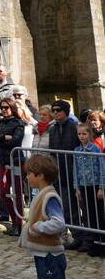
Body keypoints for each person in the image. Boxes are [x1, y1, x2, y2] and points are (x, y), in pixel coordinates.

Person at [21, 153, 80, 279]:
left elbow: (58, 223)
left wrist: (37, 228)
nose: (26, 177)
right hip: (43, 255)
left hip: (50, 257)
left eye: (29, 174)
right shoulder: (42, 193)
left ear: (40, 175)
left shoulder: (49, 196)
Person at [0, 97, 25, 235]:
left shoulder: (18, 122)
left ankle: (18, 224)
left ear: (12, 108)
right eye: (2, 108)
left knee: (17, 194)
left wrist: (1, 137)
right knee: (4, 192)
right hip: (3, 162)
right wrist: (5, 137)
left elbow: (16, 140)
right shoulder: (1, 122)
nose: (3, 110)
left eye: (6, 107)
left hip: (15, 162)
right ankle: (14, 220)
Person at [48, 101, 81, 247]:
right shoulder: (53, 129)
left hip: (72, 172)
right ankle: (71, 236)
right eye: (53, 110)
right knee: (64, 207)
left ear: (66, 111)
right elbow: (52, 150)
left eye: (59, 110)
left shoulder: (74, 128)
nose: (55, 113)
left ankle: (79, 237)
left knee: (73, 207)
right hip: (59, 173)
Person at [73, 124, 105, 254]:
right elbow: (75, 170)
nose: (81, 136)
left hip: (95, 186)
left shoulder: (95, 149)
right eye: (79, 134)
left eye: (84, 134)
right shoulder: (76, 150)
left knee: (98, 214)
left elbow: (102, 168)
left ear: (89, 134)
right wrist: (77, 188)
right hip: (83, 186)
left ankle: (101, 242)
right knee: (88, 215)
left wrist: (101, 187)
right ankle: (91, 242)